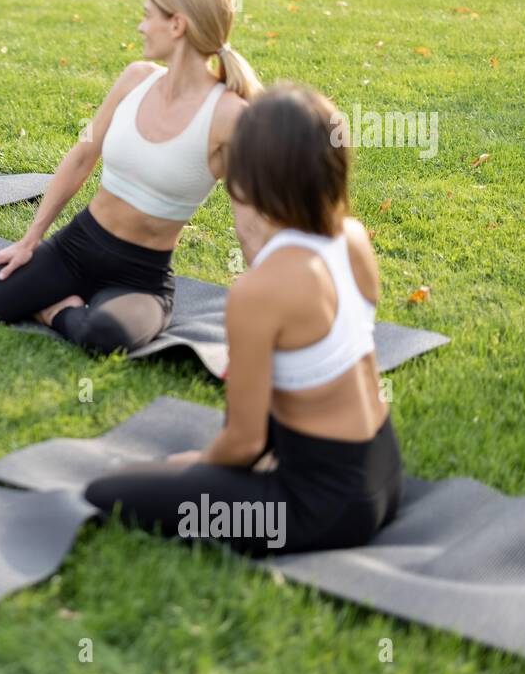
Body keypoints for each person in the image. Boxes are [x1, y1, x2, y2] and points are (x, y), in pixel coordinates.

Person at [85, 85, 403, 556]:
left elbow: (244, 442)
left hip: (320, 508)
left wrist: (201, 466)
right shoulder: (353, 238)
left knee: (107, 494)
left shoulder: (259, 291)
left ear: (252, 178)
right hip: (383, 468)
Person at [0, 0, 259, 355]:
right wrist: (30, 240)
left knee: (105, 337)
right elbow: (81, 156)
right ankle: (58, 298)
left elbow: (249, 221)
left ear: (177, 25)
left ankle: (53, 311)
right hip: (74, 248)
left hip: (141, 277)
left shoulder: (231, 117)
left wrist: (264, 302)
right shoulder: (136, 78)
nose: (140, 27)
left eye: (147, 15)